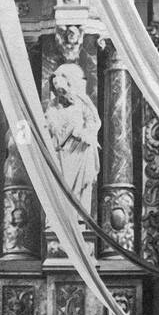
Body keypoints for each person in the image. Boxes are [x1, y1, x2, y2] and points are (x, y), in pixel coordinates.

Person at [44, 62, 101, 215]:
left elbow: (94, 121)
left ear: (69, 81)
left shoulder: (81, 101)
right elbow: (50, 125)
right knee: (61, 186)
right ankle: (62, 218)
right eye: (55, 85)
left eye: (59, 83)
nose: (57, 88)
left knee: (81, 186)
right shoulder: (53, 104)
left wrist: (85, 134)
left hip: (79, 149)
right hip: (61, 152)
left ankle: (80, 216)